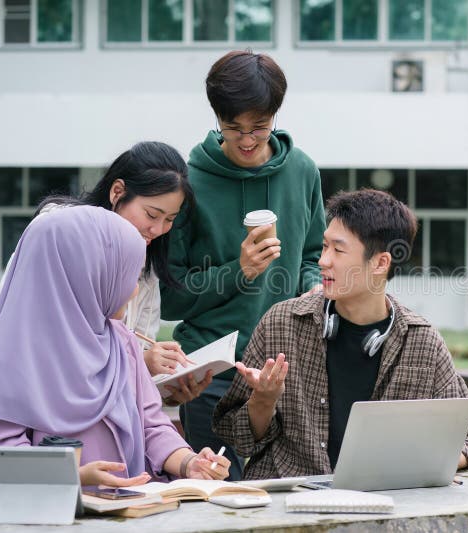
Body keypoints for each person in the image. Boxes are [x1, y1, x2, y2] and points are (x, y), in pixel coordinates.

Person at [212, 189, 468, 479]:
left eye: (338, 250)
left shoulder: (421, 340)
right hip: (288, 505)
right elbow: (236, 437)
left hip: (381, 507)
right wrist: (263, 400)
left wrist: (413, 466)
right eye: (324, 246)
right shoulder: (281, 323)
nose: (323, 261)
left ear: (381, 263)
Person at [0, 142, 207, 445]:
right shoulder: (57, 235)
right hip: (37, 419)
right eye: (152, 214)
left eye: (169, 219)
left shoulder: (145, 261)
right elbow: (36, 342)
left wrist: (164, 383)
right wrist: (140, 362)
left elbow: (135, 380)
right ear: (117, 192)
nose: (158, 229)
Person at [0, 206, 230, 486]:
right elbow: (2, 457)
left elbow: (151, 425)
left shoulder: (120, 341)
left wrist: (190, 464)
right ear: (83, 274)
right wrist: (75, 478)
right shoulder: (12, 357)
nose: (135, 289)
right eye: (125, 273)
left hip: (129, 513)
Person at [160, 50, 326, 480]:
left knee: (294, 494)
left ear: (275, 117)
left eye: (259, 127)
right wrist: (240, 270)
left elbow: (312, 255)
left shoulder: (303, 170)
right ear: (217, 119)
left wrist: (310, 284)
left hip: (284, 365)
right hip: (210, 371)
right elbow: (169, 296)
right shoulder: (188, 182)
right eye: (234, 129)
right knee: (217, 496)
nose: (247, 140)